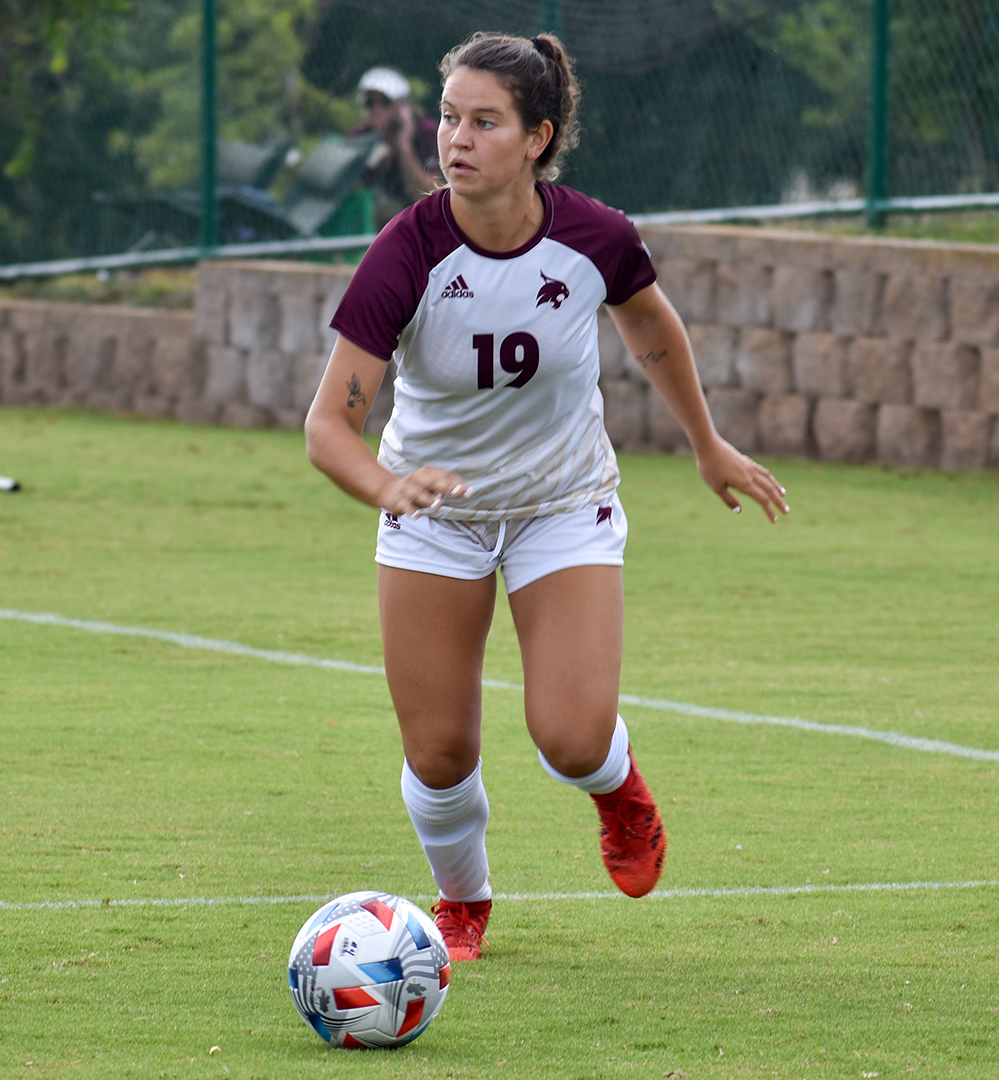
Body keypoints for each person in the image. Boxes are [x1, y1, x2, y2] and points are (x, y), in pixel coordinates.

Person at [307, 32, 787, 960]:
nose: (457, 138)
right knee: (439, 755)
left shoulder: (595, 237)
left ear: (538, 137)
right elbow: (329, 425)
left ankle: (619, 792)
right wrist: (388, 486)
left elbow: (651, 329)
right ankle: (464, 904)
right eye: (449, 117)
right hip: (434, 519)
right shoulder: (404, 252)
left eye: (485, 122)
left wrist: (707, 444)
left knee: (570, 736)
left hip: (562, 504)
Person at [350, 66, 442, 216]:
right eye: (369, 102)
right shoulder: (362, 136)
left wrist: (404, 146)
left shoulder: (425, 132)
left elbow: (428, 196)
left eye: (384, 102)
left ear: (402, 106)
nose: (376, 109)